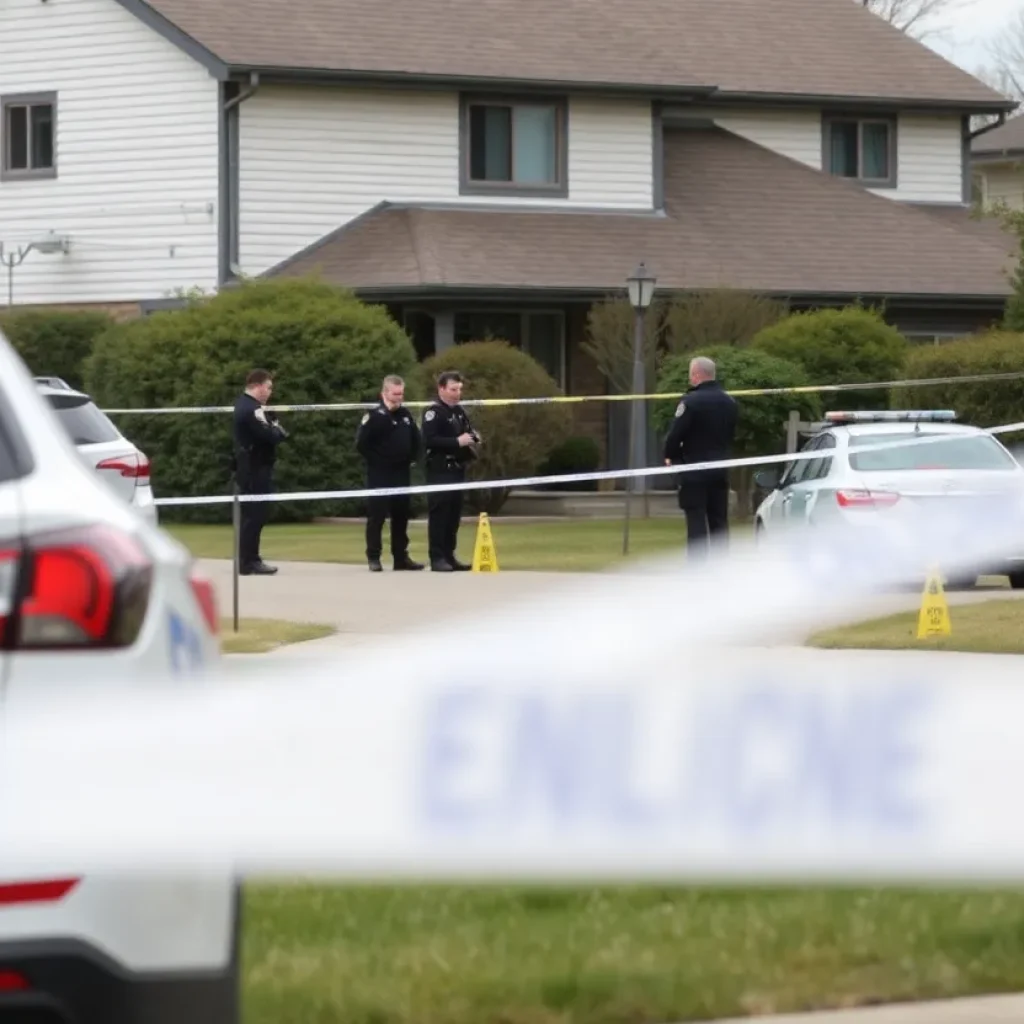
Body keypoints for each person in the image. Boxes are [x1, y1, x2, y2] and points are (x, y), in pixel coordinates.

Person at [662, 355, 738, 557]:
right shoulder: (729, 402)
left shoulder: (691, 402)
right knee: (719, 520)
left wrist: (671, 456)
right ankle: (721, 565)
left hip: (694, 469)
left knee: (696, 519)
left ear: (696, 375)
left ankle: (698, 567)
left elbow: (675, 435)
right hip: (720, 469)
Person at [355, 375, 424, 573]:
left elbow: (416, 441)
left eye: (401, 393)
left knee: (401, 516)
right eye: (395, 394)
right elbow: (361, 444)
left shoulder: (405, 415)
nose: (399, 397)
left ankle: (401, 558)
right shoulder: (375, 416)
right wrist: (378, 461)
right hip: (380, 474)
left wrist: (413, 458)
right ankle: (374, 557)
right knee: (377, 517)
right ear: (384, 393)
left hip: (401, 474)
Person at [421, 370, 480, 572]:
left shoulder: (459, 411)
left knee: (454, 515)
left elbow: (468, 431)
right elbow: (429, 440)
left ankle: (449, 555)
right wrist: (456, 441)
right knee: (440, 514)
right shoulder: (434, 412)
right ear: (441, 389)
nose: (457, 393)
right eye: (453, 389)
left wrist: (473, 437)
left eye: (459, 389)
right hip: (440, 470)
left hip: (457, 469)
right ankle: (437, 557)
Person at [233, 368, 289, 575]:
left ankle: (249, 559)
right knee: (255, 515)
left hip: (251, 465)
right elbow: (274, 435)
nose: (270, 392)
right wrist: (275, 427)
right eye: (268, 387)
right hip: (255, 467)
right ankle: (249, 561)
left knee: (254, 514)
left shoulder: (246, 405)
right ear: (257, 386)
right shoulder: (253, 409)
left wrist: (274, 426)